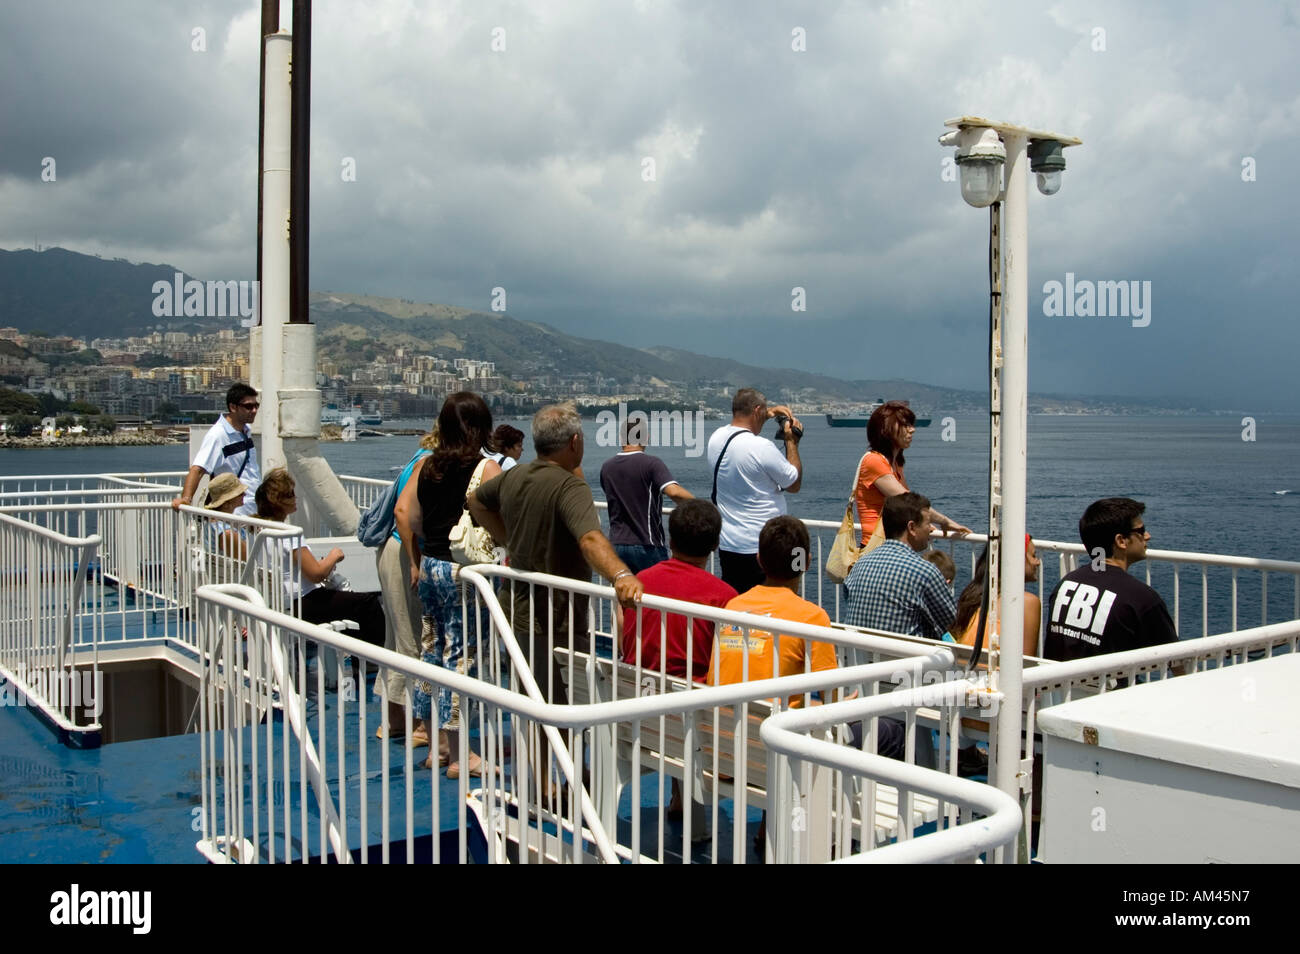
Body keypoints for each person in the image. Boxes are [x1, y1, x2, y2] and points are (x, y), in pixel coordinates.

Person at [469, 403, 643, 699]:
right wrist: (622, 574)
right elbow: (589, 539)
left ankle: (534, 748)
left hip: (515, 606)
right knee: (565, 704)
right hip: (557, 617)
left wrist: (507, 538)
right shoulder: (570, 488)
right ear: (574, 442)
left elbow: (476, 501)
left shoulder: (515, 475)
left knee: (529, 696)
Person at [393, 392, 501, 778]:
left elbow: (408, 516)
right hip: (464, 576)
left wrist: (415, 561)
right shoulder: (486, 470)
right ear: (477, 428)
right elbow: (504, 521)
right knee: (462, 660)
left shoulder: (425, 466)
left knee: (431, 654)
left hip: (431, 567)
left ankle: (436, 747)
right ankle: (462, 757)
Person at [706, 516, 838, 709]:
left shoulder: (733, 606)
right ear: (806, 563)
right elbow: (831, 697)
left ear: (759, 560)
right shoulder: (812, 617)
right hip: (771, 733)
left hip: (720, 724)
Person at [255, 468, 386, 647]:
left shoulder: (259, 529)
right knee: (368, 604)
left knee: (348, 603)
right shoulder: (290, 534)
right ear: (279, 501)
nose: (296, 498)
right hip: (303, 603)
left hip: (282, 603)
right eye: (291, 494)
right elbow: (316, 574)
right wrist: (333, 556)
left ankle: (358, 660)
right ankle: (371, 663)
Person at [1045, 498, 1178, 661]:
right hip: (1114, 686)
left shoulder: (1065, 585)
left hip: (1060, 683)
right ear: (1121, 541)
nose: (1148, 536)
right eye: (1141, 530)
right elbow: (1176, 660)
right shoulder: (1141, 598)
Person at [619, 499, 736, 682]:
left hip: (633, 686)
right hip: (691, 698)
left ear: (671, 542)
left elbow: (622, 628)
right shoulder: (725, 597)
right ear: (715, 544)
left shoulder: (638, 582)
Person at [706, 388, 803, 594]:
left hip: (730, 545)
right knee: (771, 607)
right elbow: (793, 483)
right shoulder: (761, 447)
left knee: (738, 607)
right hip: (763, 547)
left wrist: (767, 413)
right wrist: (791, 441)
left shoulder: (716, 438)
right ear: (757, 410)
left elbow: (745, 423)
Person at [373, 428, 436, 744]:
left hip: (393, 551)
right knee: (412, 640)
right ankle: (417, 725)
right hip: (404, 552)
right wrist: (416, 560)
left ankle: (396, 721)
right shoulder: (429, 463)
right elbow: (403, 513)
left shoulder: (417, 457)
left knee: (396, 638)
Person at [843, 492, 957, 641]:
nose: (930, 529)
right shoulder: (924, 572)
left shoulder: (859, 565)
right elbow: (954, 625)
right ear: (911, 527)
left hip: (859, 659)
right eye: (928, 524)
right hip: (905, 662)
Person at [853, 401, 968, 544]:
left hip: (891, 546)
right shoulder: (874, 462)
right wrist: (944, 521)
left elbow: (903, 506)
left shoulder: (895, 464)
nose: (912, 430)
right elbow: (907, 502)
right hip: (876, 548)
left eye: (911, 425)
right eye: (905, 425)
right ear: (886, 429)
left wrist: (922, 522)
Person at [600, 419, 694, 574]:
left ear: (621, 437)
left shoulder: (607, 467)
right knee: (658, 593)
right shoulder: (651, 464)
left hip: (616, 544)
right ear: (646, 438)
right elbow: (674, 492)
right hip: (647, 544)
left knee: (625, 594)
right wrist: (703, 507)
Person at [172, 383, 261, 515]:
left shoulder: (246, 430)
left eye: (256, 406)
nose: (254, 410)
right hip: (235, 512)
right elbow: (197, 469)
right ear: (233, 407)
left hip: (252, 507)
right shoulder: (218, 435)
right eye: (248, 406)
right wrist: (186, 499)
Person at [951, 536, 1043, 658]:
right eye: (1033, 556)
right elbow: (1026, 662)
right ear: (1017, 559)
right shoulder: (1027, 603)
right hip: (995, 674)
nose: (1038, 562)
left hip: (964, 671)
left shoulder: (971, 595)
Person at [202, 472, 249, 560]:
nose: (244, 494)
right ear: (227, 502)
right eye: (240, 493)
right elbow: (248, 561)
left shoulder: (212, 524)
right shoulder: (227, 533)